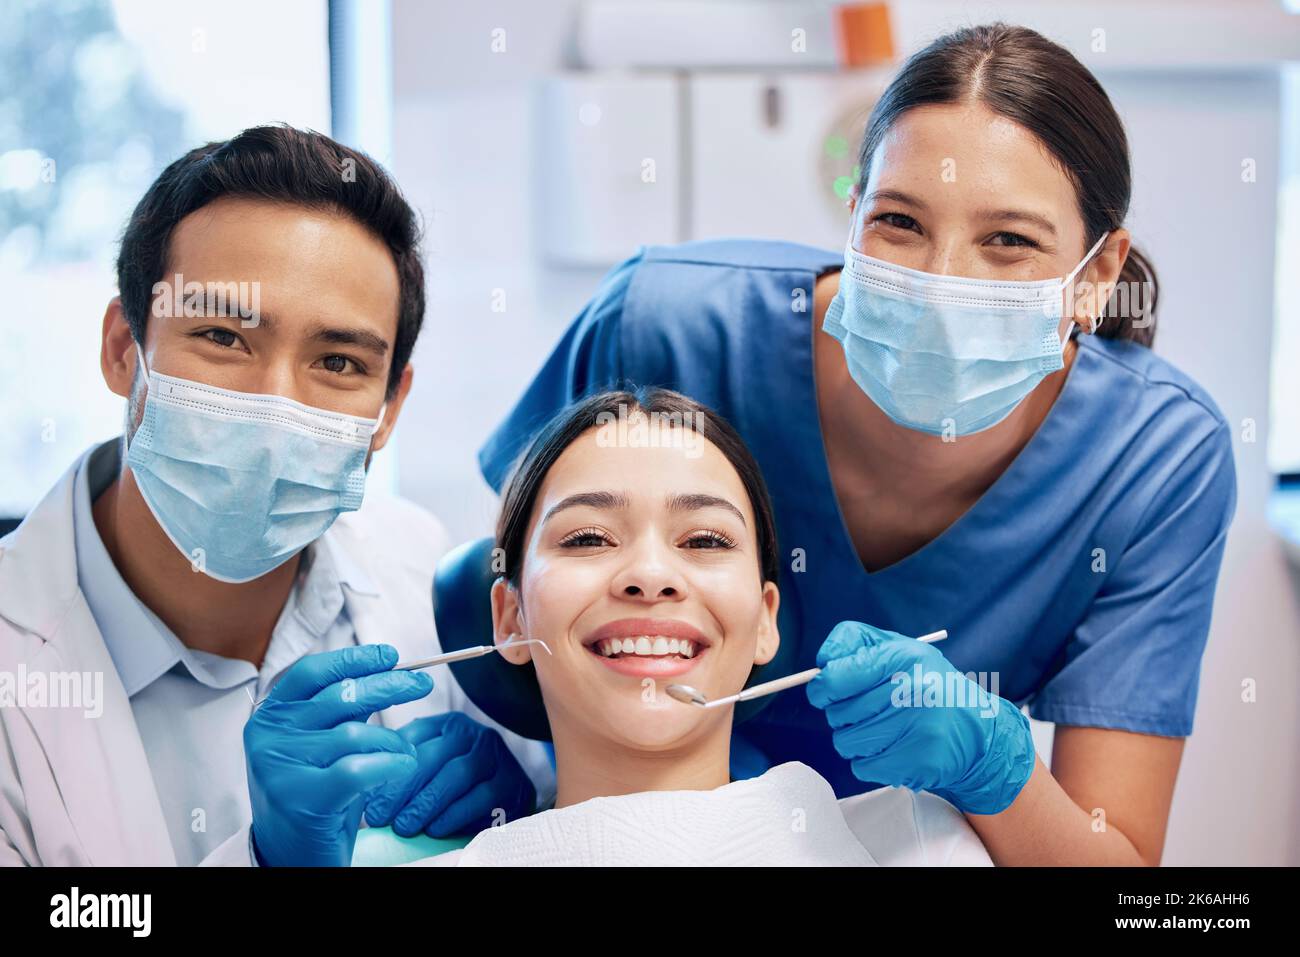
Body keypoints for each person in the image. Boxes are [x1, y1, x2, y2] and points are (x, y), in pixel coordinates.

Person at [477, 25, 1237, 865]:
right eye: (901, 222)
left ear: (1098, 275)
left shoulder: (1155, 460)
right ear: (853, 214)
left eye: (1009, 242)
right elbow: (518, 573)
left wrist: (1000, 776)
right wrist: (493, 736)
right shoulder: (667, 325)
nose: (944, 281)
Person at [0, 125, 552, 867]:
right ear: (123, 349)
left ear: (389, 408)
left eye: (336, 360)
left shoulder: (419, 569)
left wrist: (523, 821)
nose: (273, 410)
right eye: (224, 337)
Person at [414, 388, 990, 865]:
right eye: (588, 537)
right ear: (509, 620)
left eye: (704, 540)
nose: (650, 574)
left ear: (766, 621)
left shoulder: (917, 845)